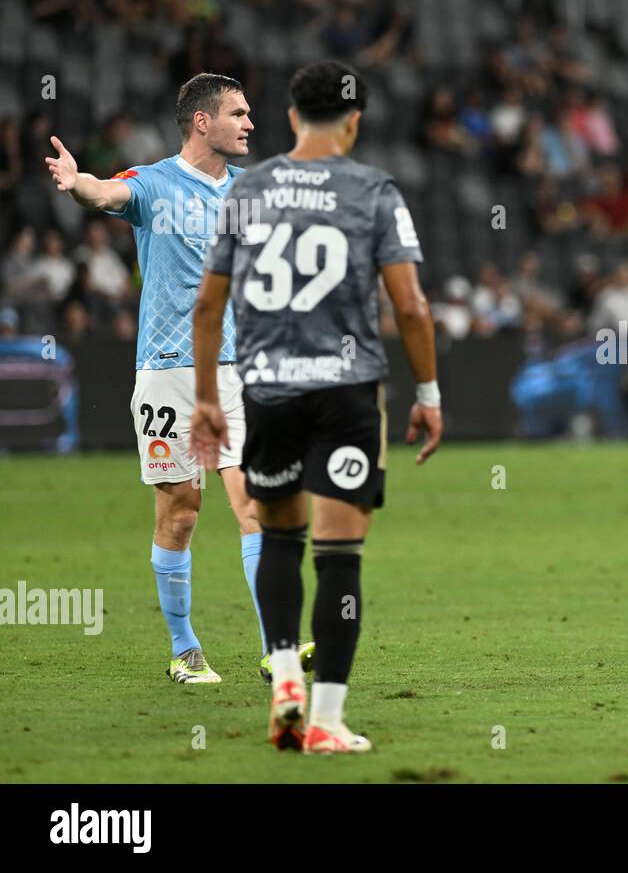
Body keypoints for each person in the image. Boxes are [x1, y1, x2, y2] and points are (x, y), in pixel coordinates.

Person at [191, 61, 443, 754]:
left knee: (277, 539)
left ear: (294, 118)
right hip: (347, 395)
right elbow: (412, 307)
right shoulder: (373, 190)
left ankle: (284, 685)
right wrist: (427, 394)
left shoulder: (248, 188)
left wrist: (209, 398)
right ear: (354, 121)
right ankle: (327, 719)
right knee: (339, 559)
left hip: (267, 389)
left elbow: (209, 302)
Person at [44, 73, 304, 684]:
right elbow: (104, 195)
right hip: (165, 375)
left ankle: (277, 649)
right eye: (238, 114)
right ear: (201, 122)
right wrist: (76, 182)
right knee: (181, 513)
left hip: (233, 374)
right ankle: (184, 648)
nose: (249, 124)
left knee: (254, 506)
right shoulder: (154, 183)